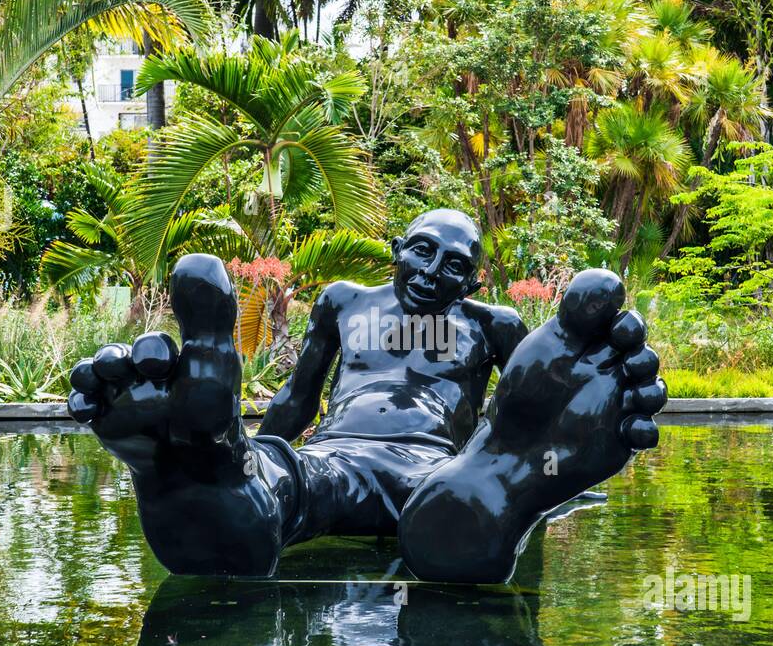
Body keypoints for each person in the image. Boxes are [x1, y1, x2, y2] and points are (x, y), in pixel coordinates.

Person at [67, 209, 667, 583]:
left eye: (455, 265)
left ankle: (502, 478)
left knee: (469, 478)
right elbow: (300, 400)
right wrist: (244, 450)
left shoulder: (492, 325)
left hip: (436, 468)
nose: (433, 271)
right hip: (337, 457)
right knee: (283, 479)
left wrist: (543, 441)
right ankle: (210, 476)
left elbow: (525, 404)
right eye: (423, 250)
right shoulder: (345, 301)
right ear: (398, 250)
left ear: (473, 282)